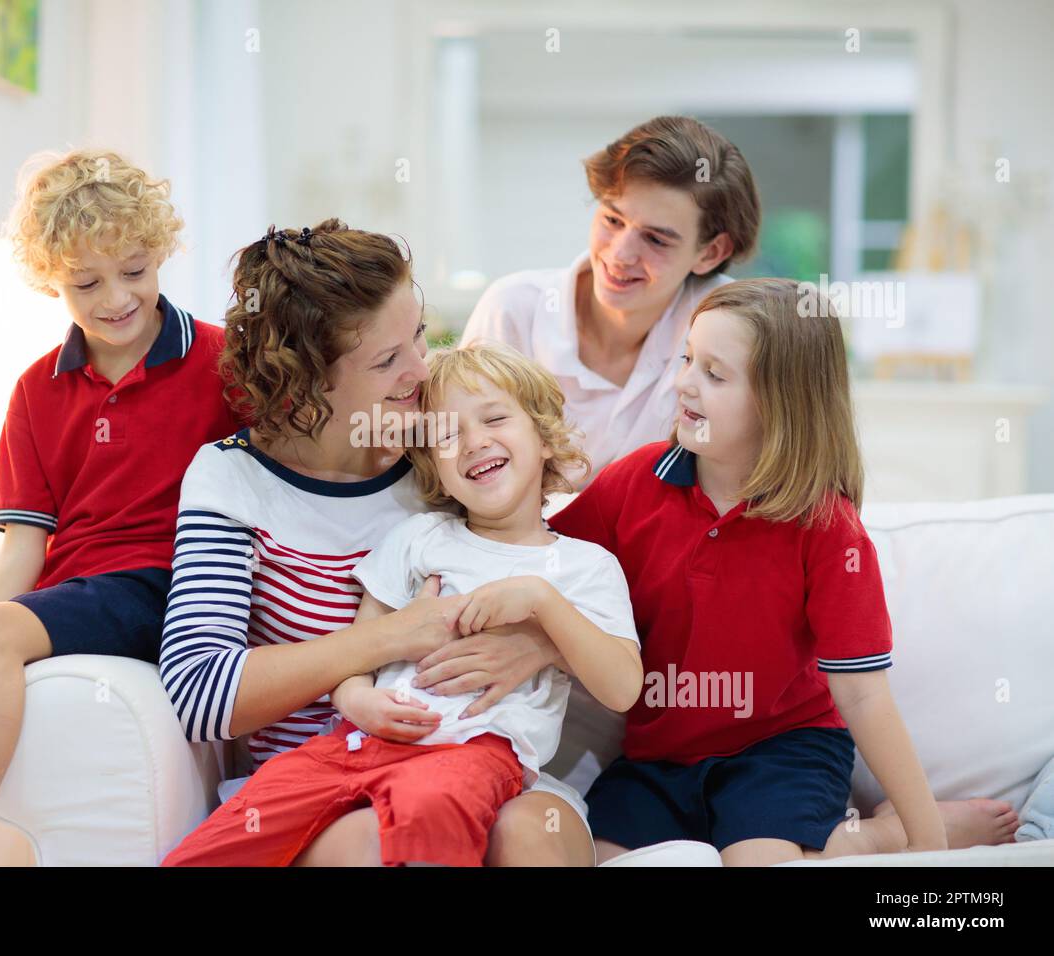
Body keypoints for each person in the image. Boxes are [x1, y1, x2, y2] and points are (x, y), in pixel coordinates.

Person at [158, 220, 599, 866]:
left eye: (419, 336)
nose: (422, 371)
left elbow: (562, 562)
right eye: (387, 361)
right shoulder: (234, 480)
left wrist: (538, 642)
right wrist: (389, 638)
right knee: (379, 842)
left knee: (532, 833)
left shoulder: (446, 455)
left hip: (484, 757)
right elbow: (202, 693)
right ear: (304, 385)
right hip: (321, 781)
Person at [548, 277, 1021, 864]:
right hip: (657, 757)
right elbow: (546, 560)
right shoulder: (634, 482)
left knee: (761, 862)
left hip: (783, 750)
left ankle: (881, 832)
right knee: (602, 857)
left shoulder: (828, 529)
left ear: (781, 402)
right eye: (687, 359)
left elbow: (864, 693)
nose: (684, 383)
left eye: (715, 375)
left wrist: (924, 845)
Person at [0, 149, 240, 866]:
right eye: (86, 282)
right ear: (52, 282)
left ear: (160, 253)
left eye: (133, 271)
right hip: (66, 601)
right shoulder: (36, 389)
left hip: (164, 586)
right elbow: (22, 547)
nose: (115, 299)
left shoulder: (223, 363)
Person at [462, 115, 761, 488]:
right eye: (613, 220)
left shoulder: (728, 327)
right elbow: (459, 462)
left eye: (656, 240)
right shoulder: (513, 311)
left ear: (711, 252)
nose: (620, 255)